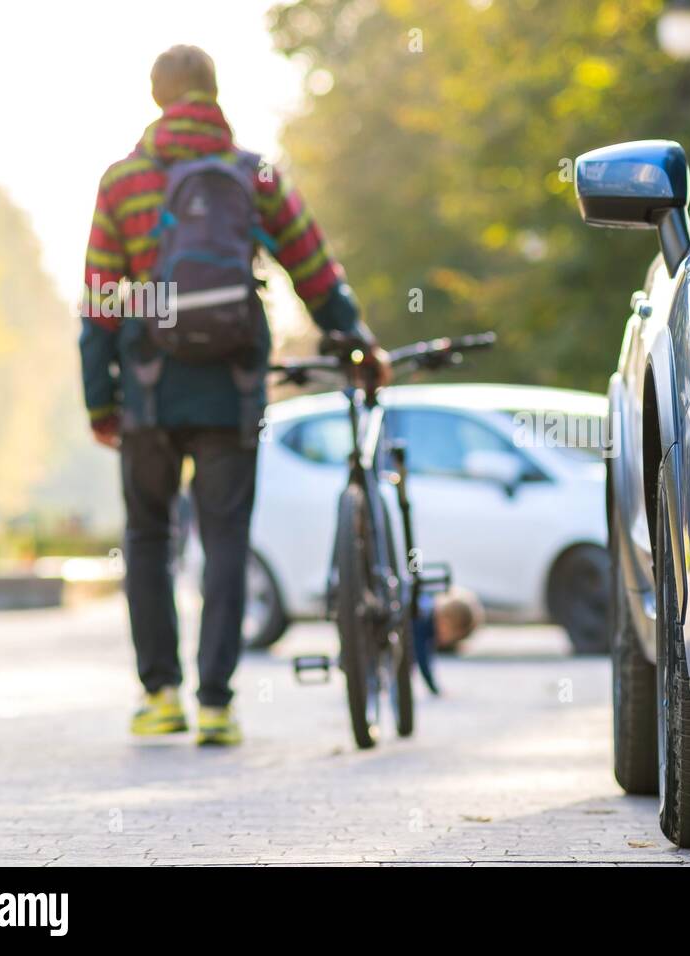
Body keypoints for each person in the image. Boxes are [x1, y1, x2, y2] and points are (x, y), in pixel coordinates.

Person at [79, 45, 387, 745]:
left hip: (148, 393)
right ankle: (217, 703)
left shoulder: (122, 181)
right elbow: (312, 269)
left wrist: (102, 401)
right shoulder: (257, 174)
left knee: (149, 537)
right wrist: (359, 341)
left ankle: (161, 695)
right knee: (224, 539)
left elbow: (101, 300)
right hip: (232, 386)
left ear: (157, 98)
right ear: (214, 96)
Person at [413, 588, 484, 695]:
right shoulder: (424, 622)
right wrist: (434, 689)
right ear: (447, 622)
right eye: (453, 638)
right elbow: (423, 659)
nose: (447, 642)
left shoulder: (429, 604)